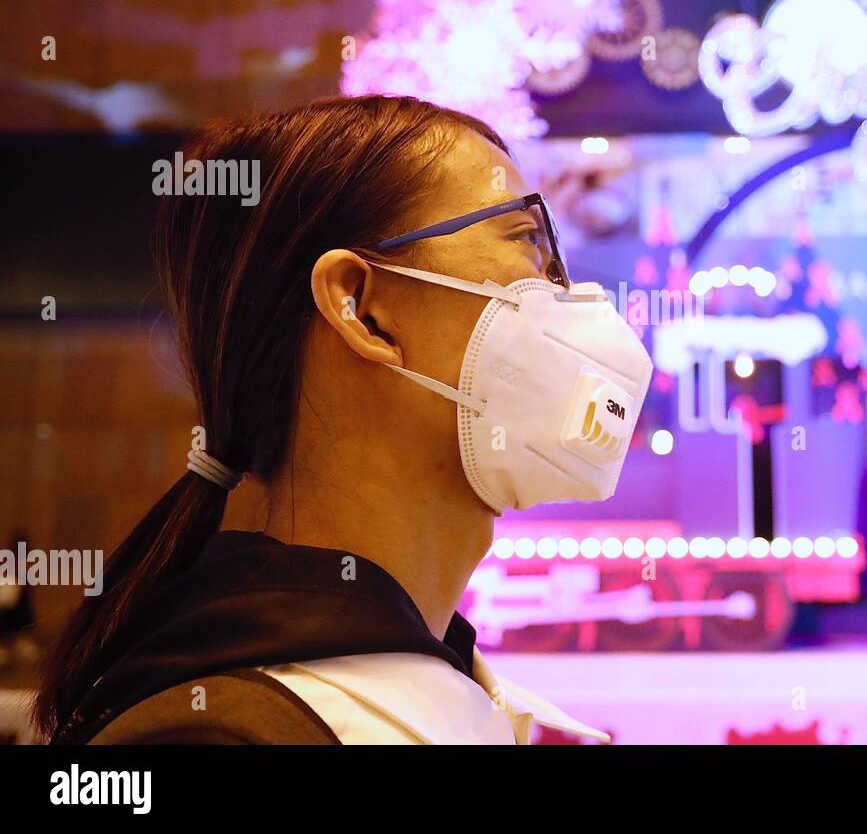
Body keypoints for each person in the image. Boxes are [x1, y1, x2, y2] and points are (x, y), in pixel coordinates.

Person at [35, 95, 652, 744]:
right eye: (528, 244)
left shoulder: (446, 695)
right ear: (362, 308)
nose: (570, 296)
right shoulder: (226, 733)